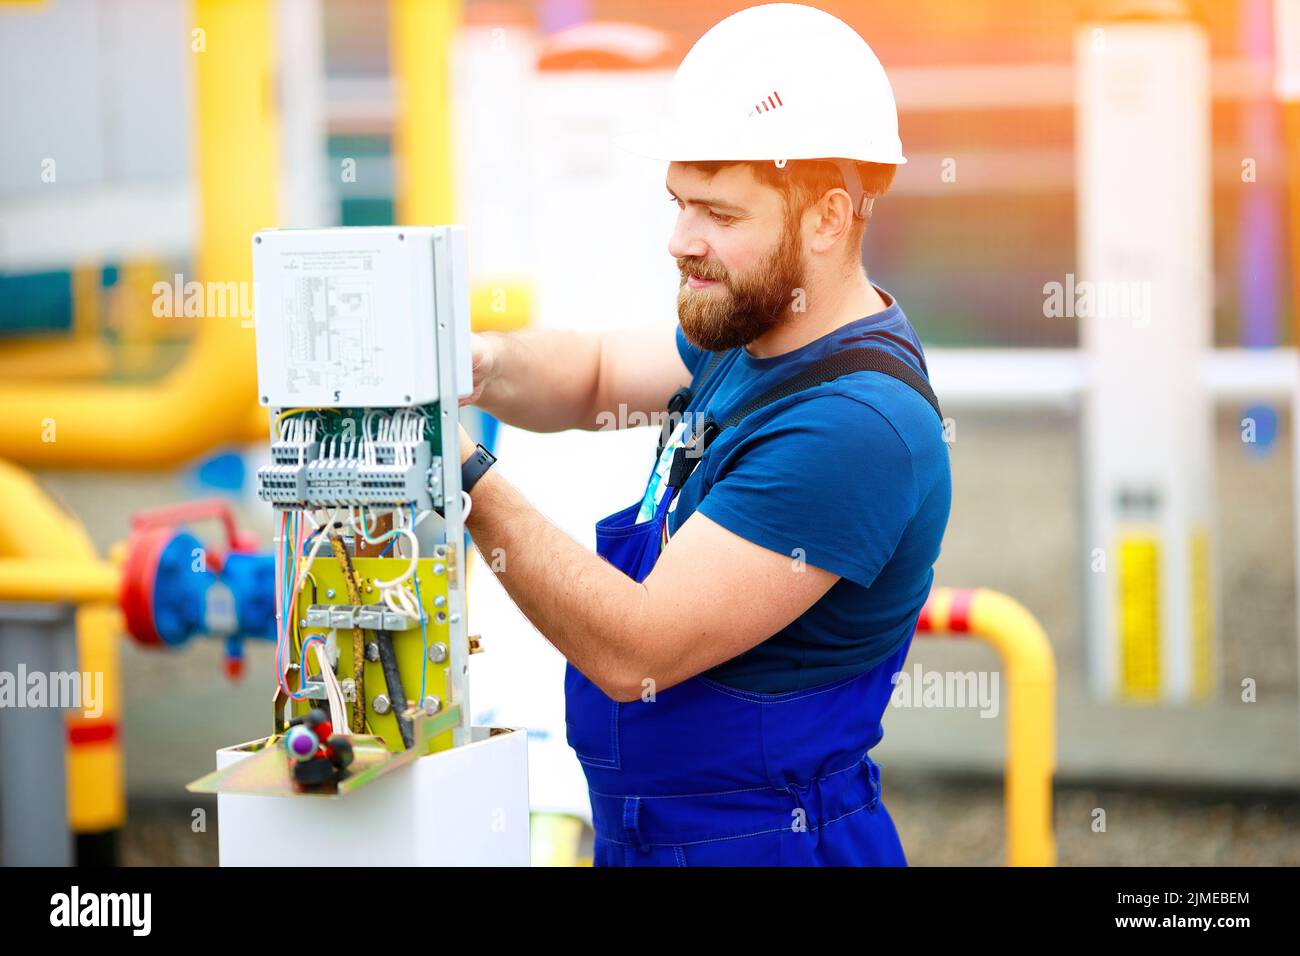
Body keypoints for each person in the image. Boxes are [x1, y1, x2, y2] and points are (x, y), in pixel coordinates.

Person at [455, 2, 951, 865]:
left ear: (829, 218)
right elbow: (600, 374)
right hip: (659, 837)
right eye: (679, 203)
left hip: (765, 845)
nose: (681, 241)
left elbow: (634, 646)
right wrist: (472, 363)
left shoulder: (854, 428)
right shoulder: (755, 333)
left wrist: (459, 471)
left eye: (719, 214)